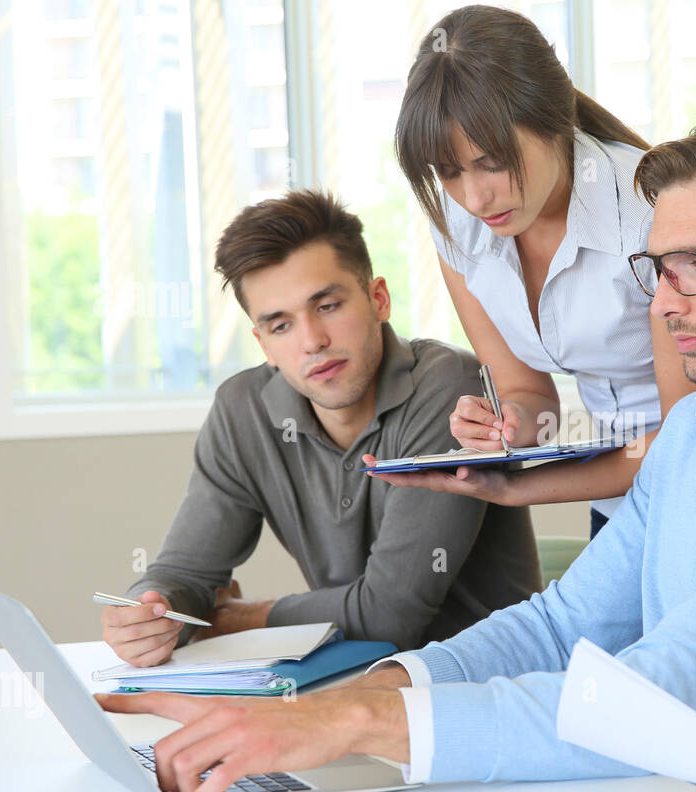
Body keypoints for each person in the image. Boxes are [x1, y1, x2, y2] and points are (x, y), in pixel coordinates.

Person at [97, 117, 696, 792]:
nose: (663, 303)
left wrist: (355, 722)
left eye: (694, 267)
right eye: (657, 269)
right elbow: (559, 626)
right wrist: (347, 697)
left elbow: (658, 696)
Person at [101, 189, 541, 667]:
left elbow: (389, 616)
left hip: (483, 685)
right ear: (262, 343)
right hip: (345, 681)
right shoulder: (241, 410)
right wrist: (154, 611)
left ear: (378, 299)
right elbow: (185, 572)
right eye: (280, 325)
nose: (312, 341)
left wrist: (234, 618)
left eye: (327, 305)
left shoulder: (450, 389)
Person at [386, 4, 696, 537]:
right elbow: (525, 392)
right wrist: (502, 426)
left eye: (492, 163)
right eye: (450, 171)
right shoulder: (457, 223)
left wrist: (517, 488)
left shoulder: (651, 217)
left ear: (554, 121)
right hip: (619, 499)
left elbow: (684, 438)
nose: (475, 197)